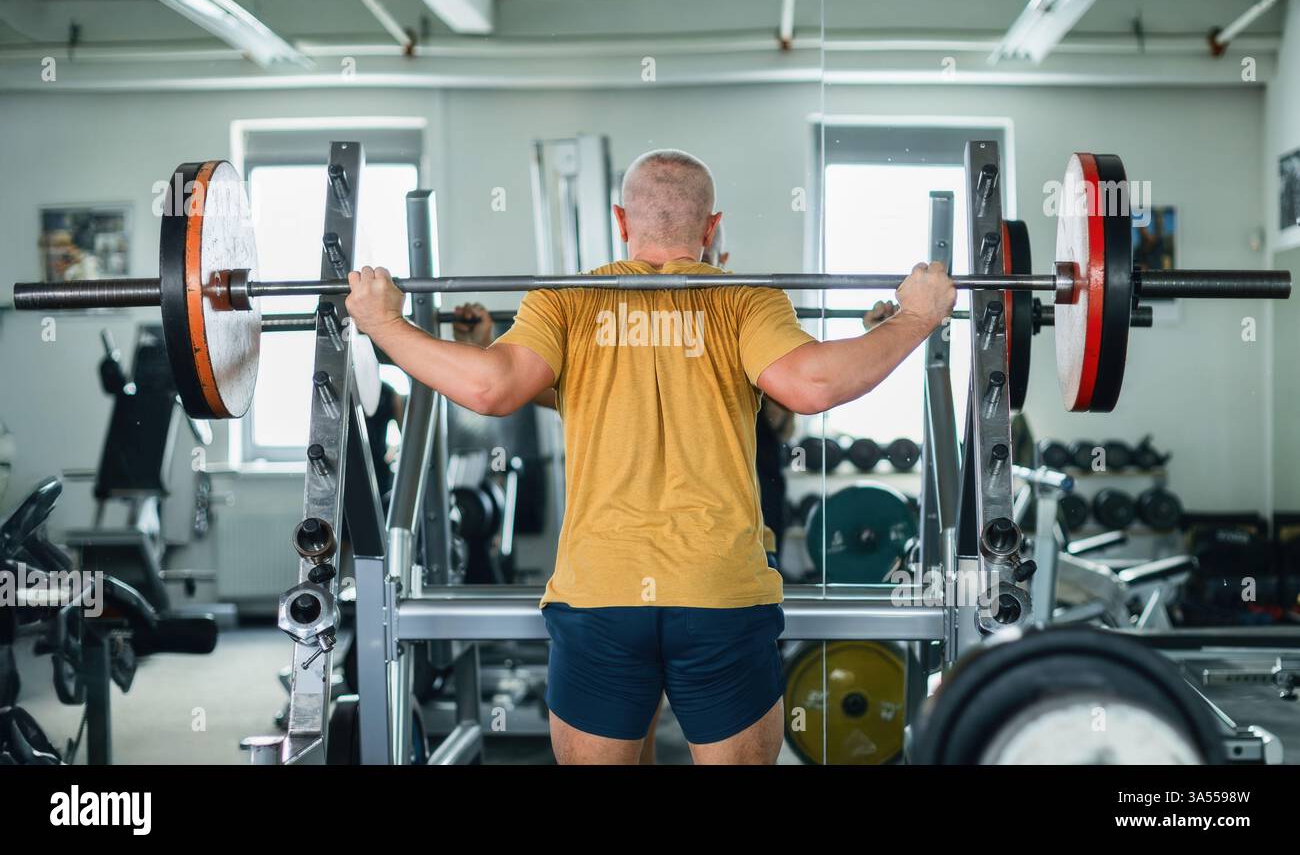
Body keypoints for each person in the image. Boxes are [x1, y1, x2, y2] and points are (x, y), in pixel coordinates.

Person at [346, 149, 955, 765]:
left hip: (600, 595)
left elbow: (490, 387)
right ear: (712, 228)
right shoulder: (744, 299)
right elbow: (814, 384)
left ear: (621, 219)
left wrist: (383, 322)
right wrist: (916, 318)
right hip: (717, 592)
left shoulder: (567, 300)